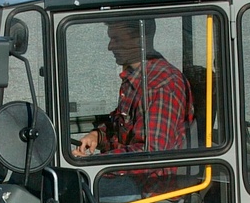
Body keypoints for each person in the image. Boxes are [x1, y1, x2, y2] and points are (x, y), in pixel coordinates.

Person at [76, 19, 191, 157]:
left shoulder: (160, 86)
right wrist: (97, 136)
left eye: (116, 40)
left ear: (139, 40)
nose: (110, 46)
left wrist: (94, 163)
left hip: (150, 177)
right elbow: (123, 129)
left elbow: (150, 154)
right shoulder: (135, 78)